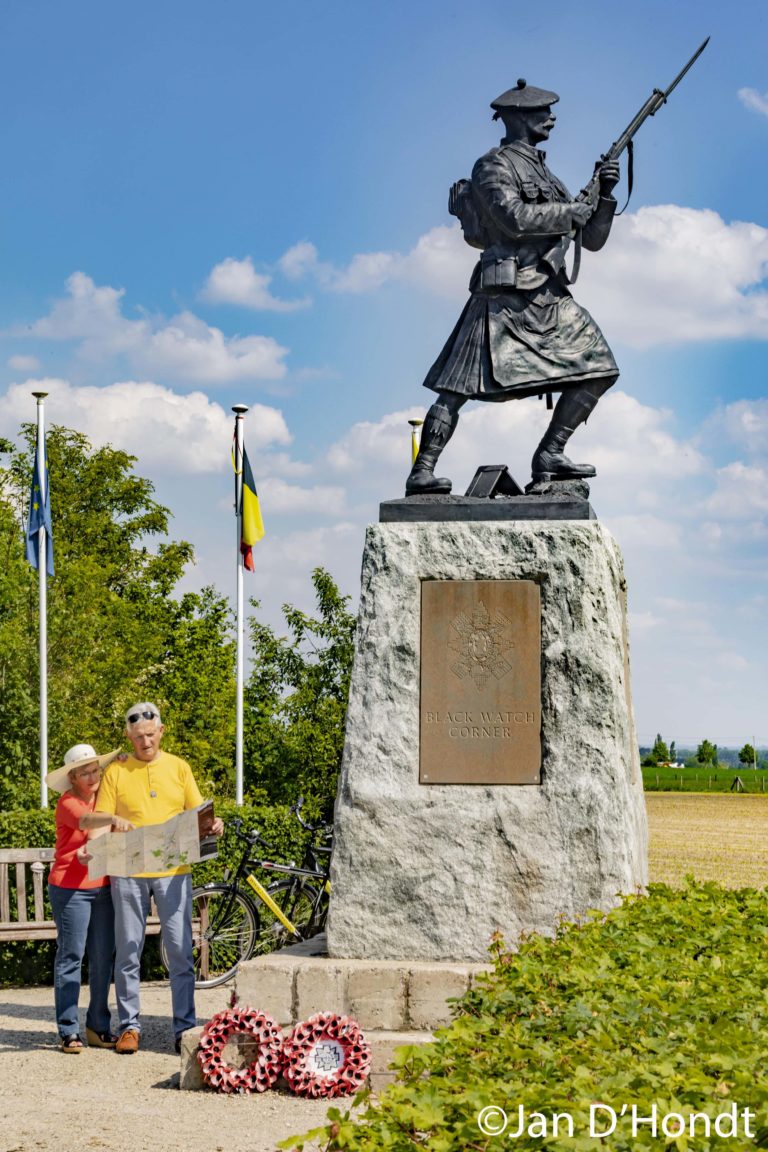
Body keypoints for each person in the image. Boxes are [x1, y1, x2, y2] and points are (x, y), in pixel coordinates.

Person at [406, 79, 621, 495]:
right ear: (519, 117)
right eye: (543, 112)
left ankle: (550, 454)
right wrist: (572, 211)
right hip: (503, 293)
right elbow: (514, 219)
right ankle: (422, 471)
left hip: (547, 293)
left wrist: (605, 194)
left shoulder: (547, 174)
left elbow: (590, 240)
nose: (551, 119)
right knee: (455, 388)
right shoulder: (493, 166)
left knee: (600, 368)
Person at [93, 703, 224, 1055]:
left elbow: (198, 813)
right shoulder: (116, 772)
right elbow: (100, 817)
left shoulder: (180, 767)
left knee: (181, 951)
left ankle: (184, 1028)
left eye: (151, 735)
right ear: (128, 736)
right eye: (138, 737)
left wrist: (214, 825)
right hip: (128, 871)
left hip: (174, 872)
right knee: (128, 951)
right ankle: (130, 1027)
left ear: (161, 731)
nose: (145, 742)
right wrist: (108, 824)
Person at [47, 744, 133, 1053]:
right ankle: (68, 1030)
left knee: (102, 958)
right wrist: (114, 819)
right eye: (85, 772)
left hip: (104, 887)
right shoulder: (68, 803)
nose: (93, 776)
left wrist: (126, 763)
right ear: (71, 777)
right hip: (70, 889)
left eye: (96, 769)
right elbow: (87, 822)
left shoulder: (104, 795)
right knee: (71, 957)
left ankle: (98, 1026)